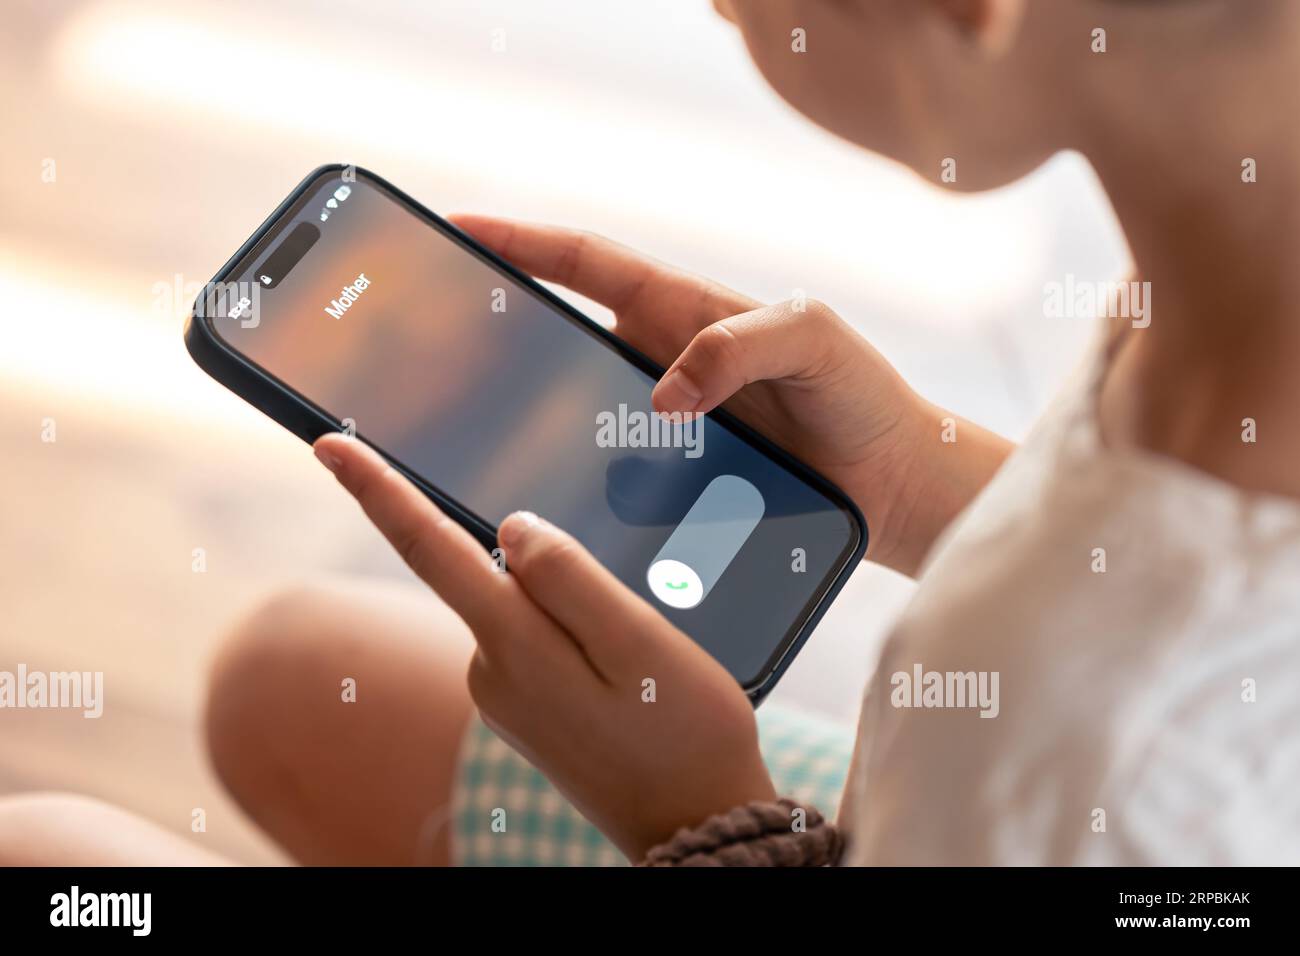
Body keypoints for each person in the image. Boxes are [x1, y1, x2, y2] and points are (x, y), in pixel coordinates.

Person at [3, 0, 1298, 866]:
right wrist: (916, 487)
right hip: (935, 805)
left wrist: (696, 818)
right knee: (294, 672)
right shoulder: (1235, 255)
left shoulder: (1098, 769)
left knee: (48, 856)